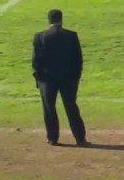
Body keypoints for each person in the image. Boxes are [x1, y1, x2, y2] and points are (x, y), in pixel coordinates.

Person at [32, 9, 88, 148]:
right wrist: (75, 78)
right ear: (61, 20)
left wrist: (39, 78)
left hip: (47, 79)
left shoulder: (40, 37)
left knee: (49, 108)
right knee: (71, 107)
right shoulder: (71, 36)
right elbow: (78, 60)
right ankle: (80, 138)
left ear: (49, 20)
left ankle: (52, 137)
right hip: (68, 79)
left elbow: (35, 61)